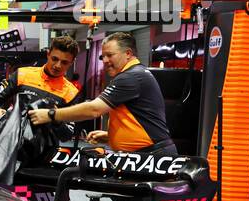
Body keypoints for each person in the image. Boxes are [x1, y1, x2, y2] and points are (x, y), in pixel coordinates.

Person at [28, 31, 175, 154]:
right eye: (102, 56)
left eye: (110, 55)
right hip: (146, 152)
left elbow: (94, 109)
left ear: (128, 53)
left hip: (152, 154)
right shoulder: (136, 73)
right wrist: (110, 136)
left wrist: (50, 115)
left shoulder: (131, 76)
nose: (104, 60)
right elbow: (137, 116)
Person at [0, 35, 79, 120]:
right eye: (54, 59)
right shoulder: (22, 74)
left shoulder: (71, 93)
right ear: (48, 54)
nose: (58, 65)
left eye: (64, 62)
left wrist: (53, 117)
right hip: (14, 134)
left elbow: (70, 130)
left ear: (72, 63)